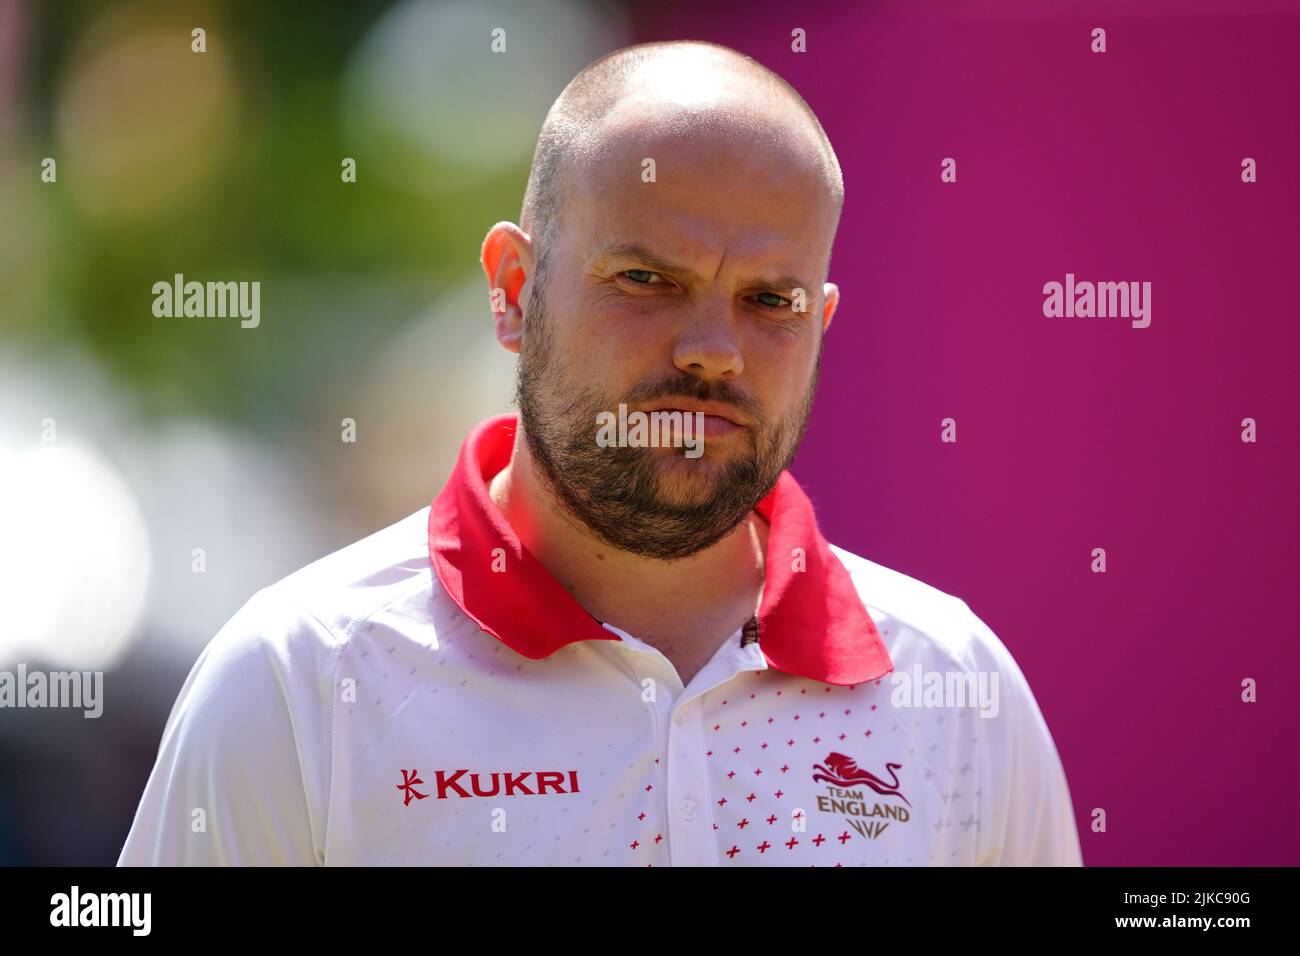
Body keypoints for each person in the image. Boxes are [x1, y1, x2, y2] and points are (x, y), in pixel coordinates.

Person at [118, 40, 1082, 866]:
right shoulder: (297, 681)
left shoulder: (959, 690)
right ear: (513, 289)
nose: (713, 347)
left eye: (770, 300)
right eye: (646, 278)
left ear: (821, 326)